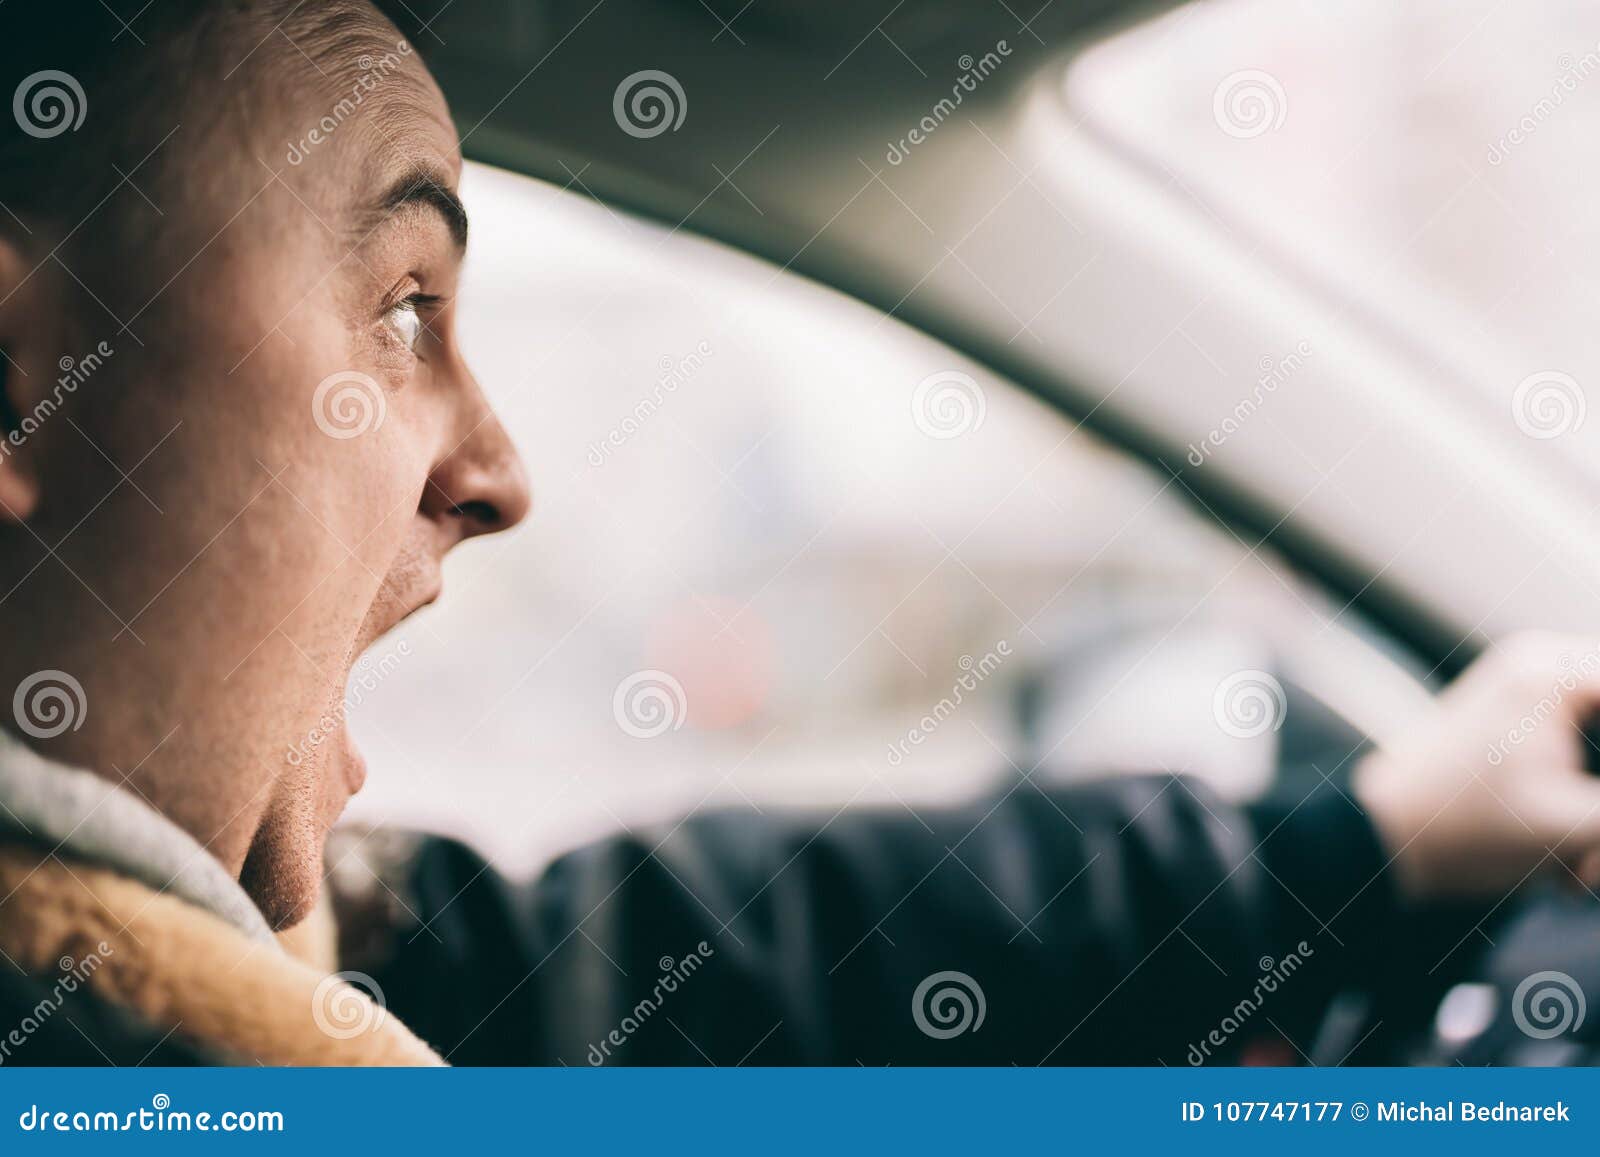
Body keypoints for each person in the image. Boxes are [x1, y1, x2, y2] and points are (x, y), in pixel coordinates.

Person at [0, 0, 1594, 1066]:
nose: (498, 472)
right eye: (406, 308)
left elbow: (624, 973)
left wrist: (1362, 842)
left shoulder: (231, 995)